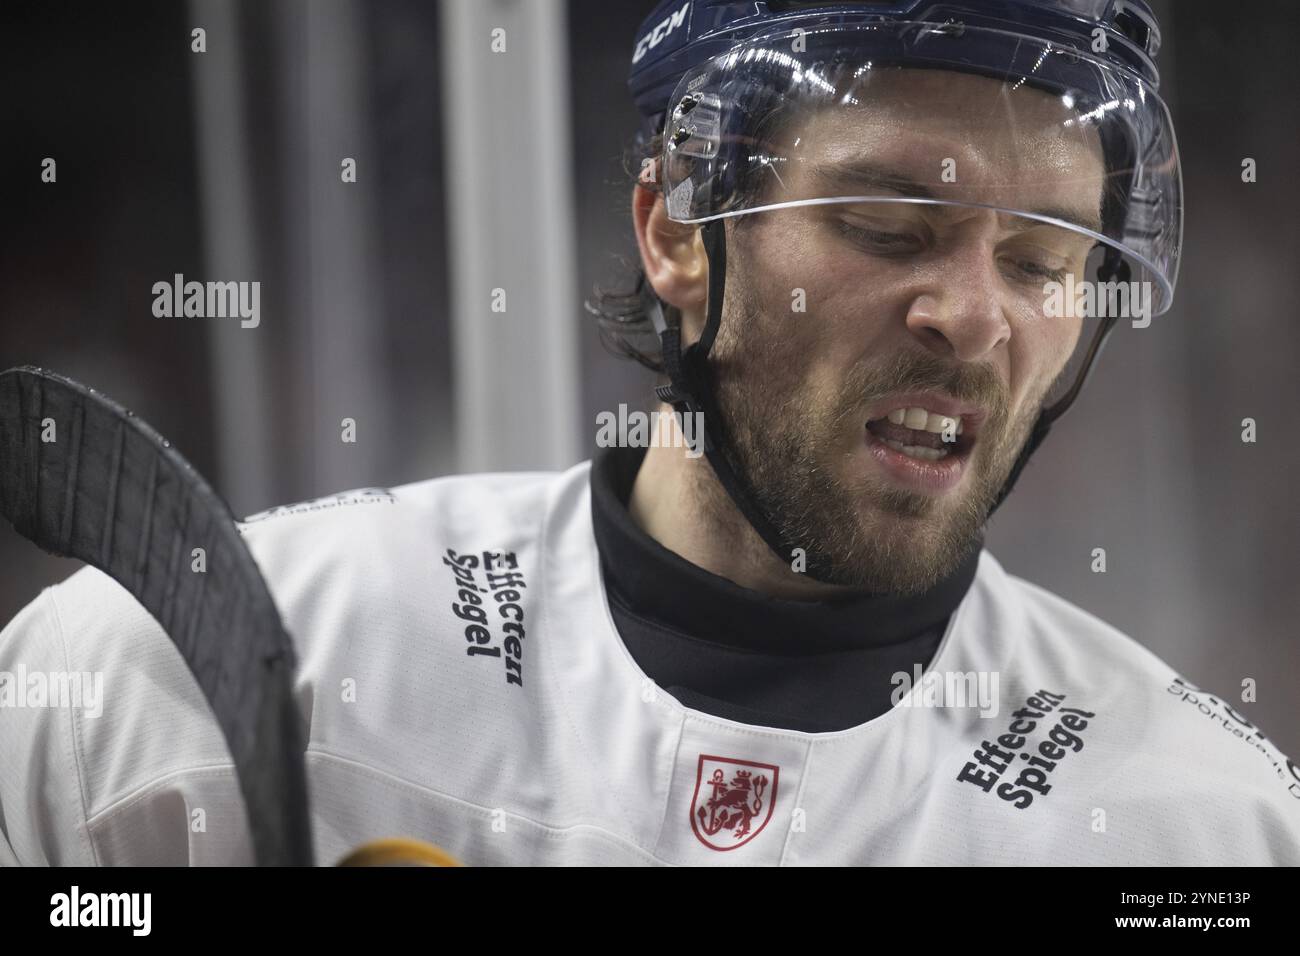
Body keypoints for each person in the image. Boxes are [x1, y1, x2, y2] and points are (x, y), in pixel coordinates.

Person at [1, 0, 1297, 866]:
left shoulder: (1202, 830)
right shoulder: (194, 667)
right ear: (678, 230)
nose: (973, 316)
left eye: (1042, 261)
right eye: (886, 229)